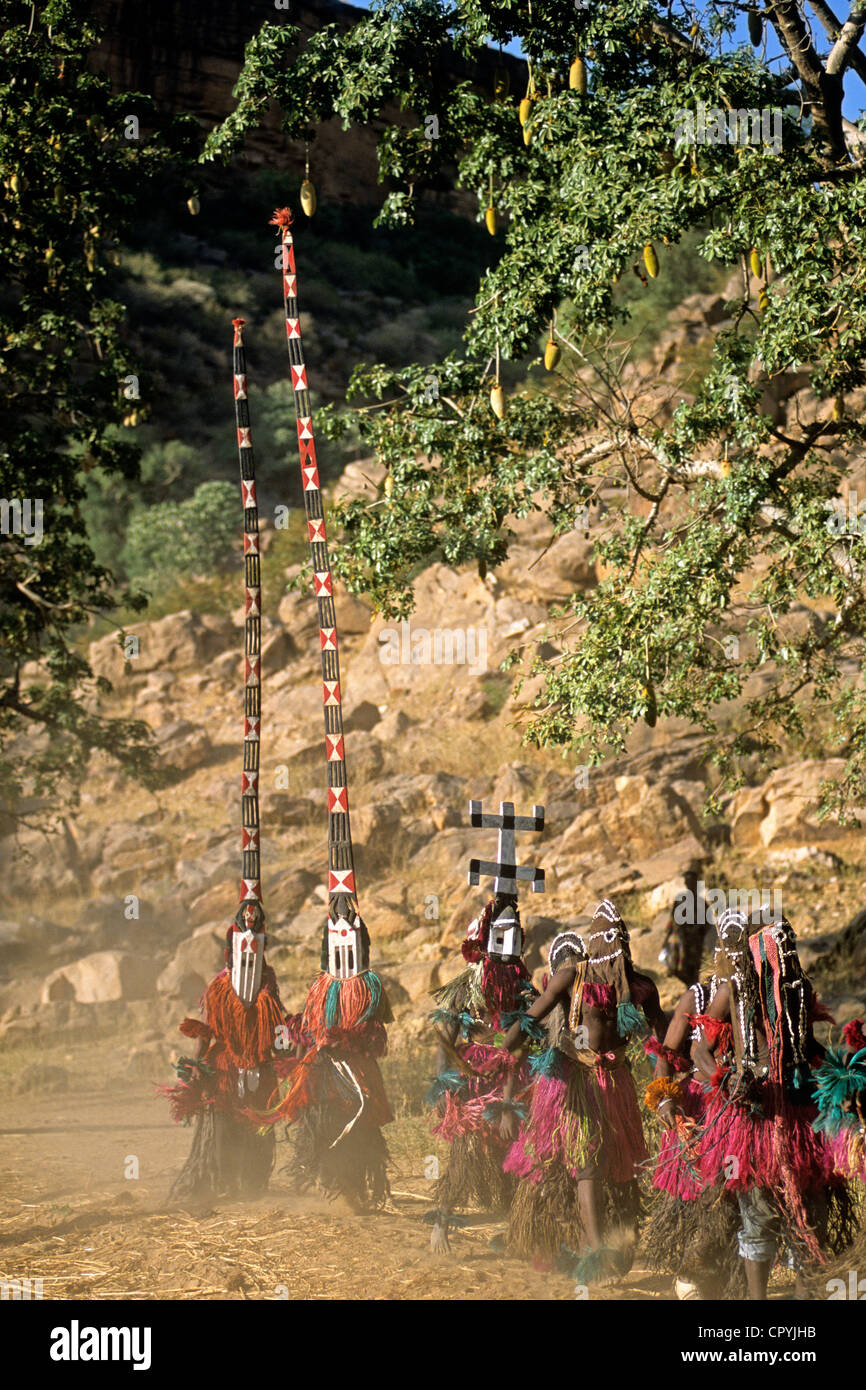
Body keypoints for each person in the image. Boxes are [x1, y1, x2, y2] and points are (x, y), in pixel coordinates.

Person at [499, 899, 667, 1281]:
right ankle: (593, 1248)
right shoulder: (570, 979)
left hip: (618, 1083)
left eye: (619, 945)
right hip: (577, 1082)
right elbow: (530, 1017)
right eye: (607, 945)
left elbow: (664, 1039)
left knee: (619, 1163)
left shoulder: (639, 988)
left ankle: (620, 1237)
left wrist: (664, 1081)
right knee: (587, 1163)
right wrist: (506, 1046)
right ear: (592, 946)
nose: (614, 954)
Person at [690, 910, 854, 1299]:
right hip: (756, 1114)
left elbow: (808, 1046)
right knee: (759, 1209)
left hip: (800, 1110)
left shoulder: (798, 988)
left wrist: (843, 1073)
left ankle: (804, 1295)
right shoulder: (735, 988)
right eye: (774, 941)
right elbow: (700, 1049)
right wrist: (724, 1078)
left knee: (808, 1207)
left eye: (787, 942)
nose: (783, 949)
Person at [250, 907, 393, 1210]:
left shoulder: (370, 987)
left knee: (359, 1128)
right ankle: (335, 1185)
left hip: (356, 1071)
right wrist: (299, 1071)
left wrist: (348, 1039)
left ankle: (352, 1187)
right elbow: (307, 1028)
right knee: (323, 1126)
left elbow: (376, 1033)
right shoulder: (320, 987)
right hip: (322, 1070)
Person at [426, 894, 539, 1253]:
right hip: (475, 1076)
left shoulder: (524, 986)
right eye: (501, 935)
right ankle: (442, 1220)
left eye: (515, 935)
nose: (509, 944)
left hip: (515, 1078)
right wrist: (444, 1085)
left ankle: (516, 1230)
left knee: (519, 1151)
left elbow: (526, 1038)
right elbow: (446, 1035)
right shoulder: (468, 982)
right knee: (468, 1150)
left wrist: (509, 1103)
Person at [160, 899, 287, 1200]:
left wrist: (290, 1061)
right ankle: (221, 1180)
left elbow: (276, 1025)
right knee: (221, 1124)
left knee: (258, 1122)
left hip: (259, 1065)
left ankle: (252, 1182)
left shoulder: (268, 984)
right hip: (225, 1068)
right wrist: (196, 1063)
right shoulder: (219, 987)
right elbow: (207, 1030)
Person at [642, 972, 743, 1298]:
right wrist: (666, 1098)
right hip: (698, 1109)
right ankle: (690, 1277)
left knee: (733, 1195)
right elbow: (666, 1055)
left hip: (740, 1107)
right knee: (700, 1196)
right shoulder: (696, 997)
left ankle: (722, 1277)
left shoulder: (754, 996)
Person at [658, 868, 712, 986]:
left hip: (695, 943)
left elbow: (709, 923)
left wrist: (698, 929)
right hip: (681, 942)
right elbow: (672, 921)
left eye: (692, 881)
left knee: (693, 971)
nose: (689, 883)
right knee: (679, 969)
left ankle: (692, 991)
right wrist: (666, 939)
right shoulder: (680, 900)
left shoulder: (701, 903)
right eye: (687, 881)